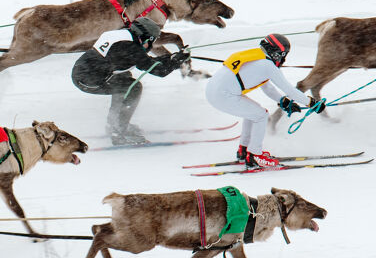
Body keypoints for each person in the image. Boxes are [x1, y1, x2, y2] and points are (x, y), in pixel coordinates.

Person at [71, 16, 190, 145]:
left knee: (124, 80)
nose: (150, 45)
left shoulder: (123, 36)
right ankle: (119, 131)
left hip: (83, 73)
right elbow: (159, 71)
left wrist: (171, 58)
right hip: (89, 80)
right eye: (152, 41)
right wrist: (176, 61)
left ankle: (114, 124)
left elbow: (146, 61)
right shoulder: (131, 48)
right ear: (145, 37)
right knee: (134, 87)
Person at [204, 34, 317, 168]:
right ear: (276, 53)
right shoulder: (267, 65)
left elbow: (266, 87)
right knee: (261, 115)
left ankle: (244, 150)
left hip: (215, 91)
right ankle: (255, 156)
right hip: (223, 95)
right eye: (283, 54)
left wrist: (283, 101)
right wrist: (311, 103)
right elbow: (289, 89)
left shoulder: (256, 57)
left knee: (254, 113)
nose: (283, 59)